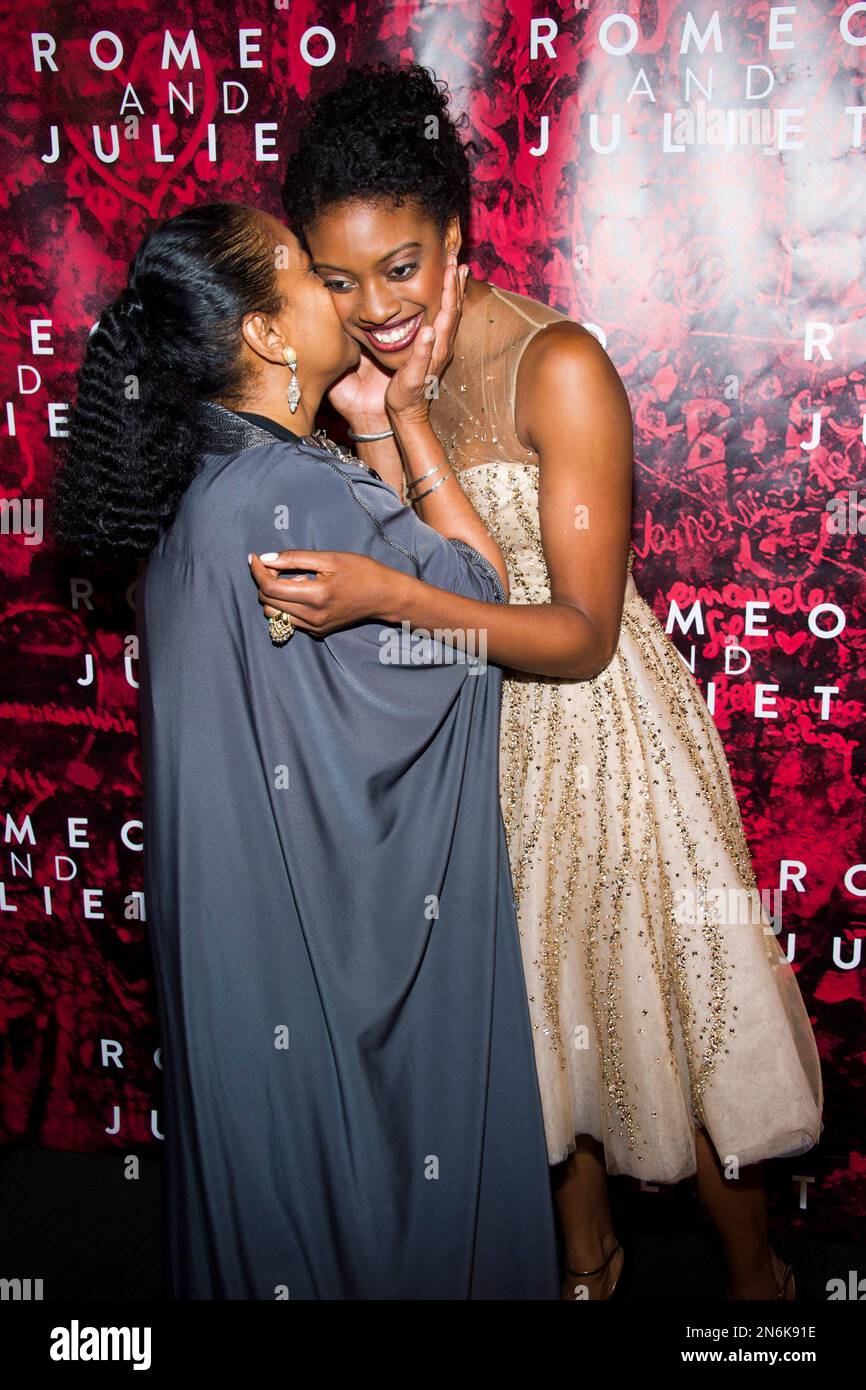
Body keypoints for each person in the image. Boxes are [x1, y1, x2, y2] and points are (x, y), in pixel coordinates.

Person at [251, 62, 824, 1301]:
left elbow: (577, 634)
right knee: (534, 1047)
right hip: (468, 745)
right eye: (337, 281)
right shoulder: (359, 384)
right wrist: (375, 421)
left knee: (670, 1033)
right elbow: (428, 557)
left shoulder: (555, 365)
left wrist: (387, 593)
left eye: (401, 268)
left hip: (597, 741)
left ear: (456, 238)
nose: (374, 308)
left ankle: (757, 1290)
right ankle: (583, 1271)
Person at [50, 201, 560, 1299]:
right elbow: (483, 600)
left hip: (239, 969)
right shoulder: (304, 491)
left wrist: (363, 426)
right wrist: (407, 416)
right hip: (312, 965)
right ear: (268, 337)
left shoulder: (204, 494)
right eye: (307, 275)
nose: (344, 296)